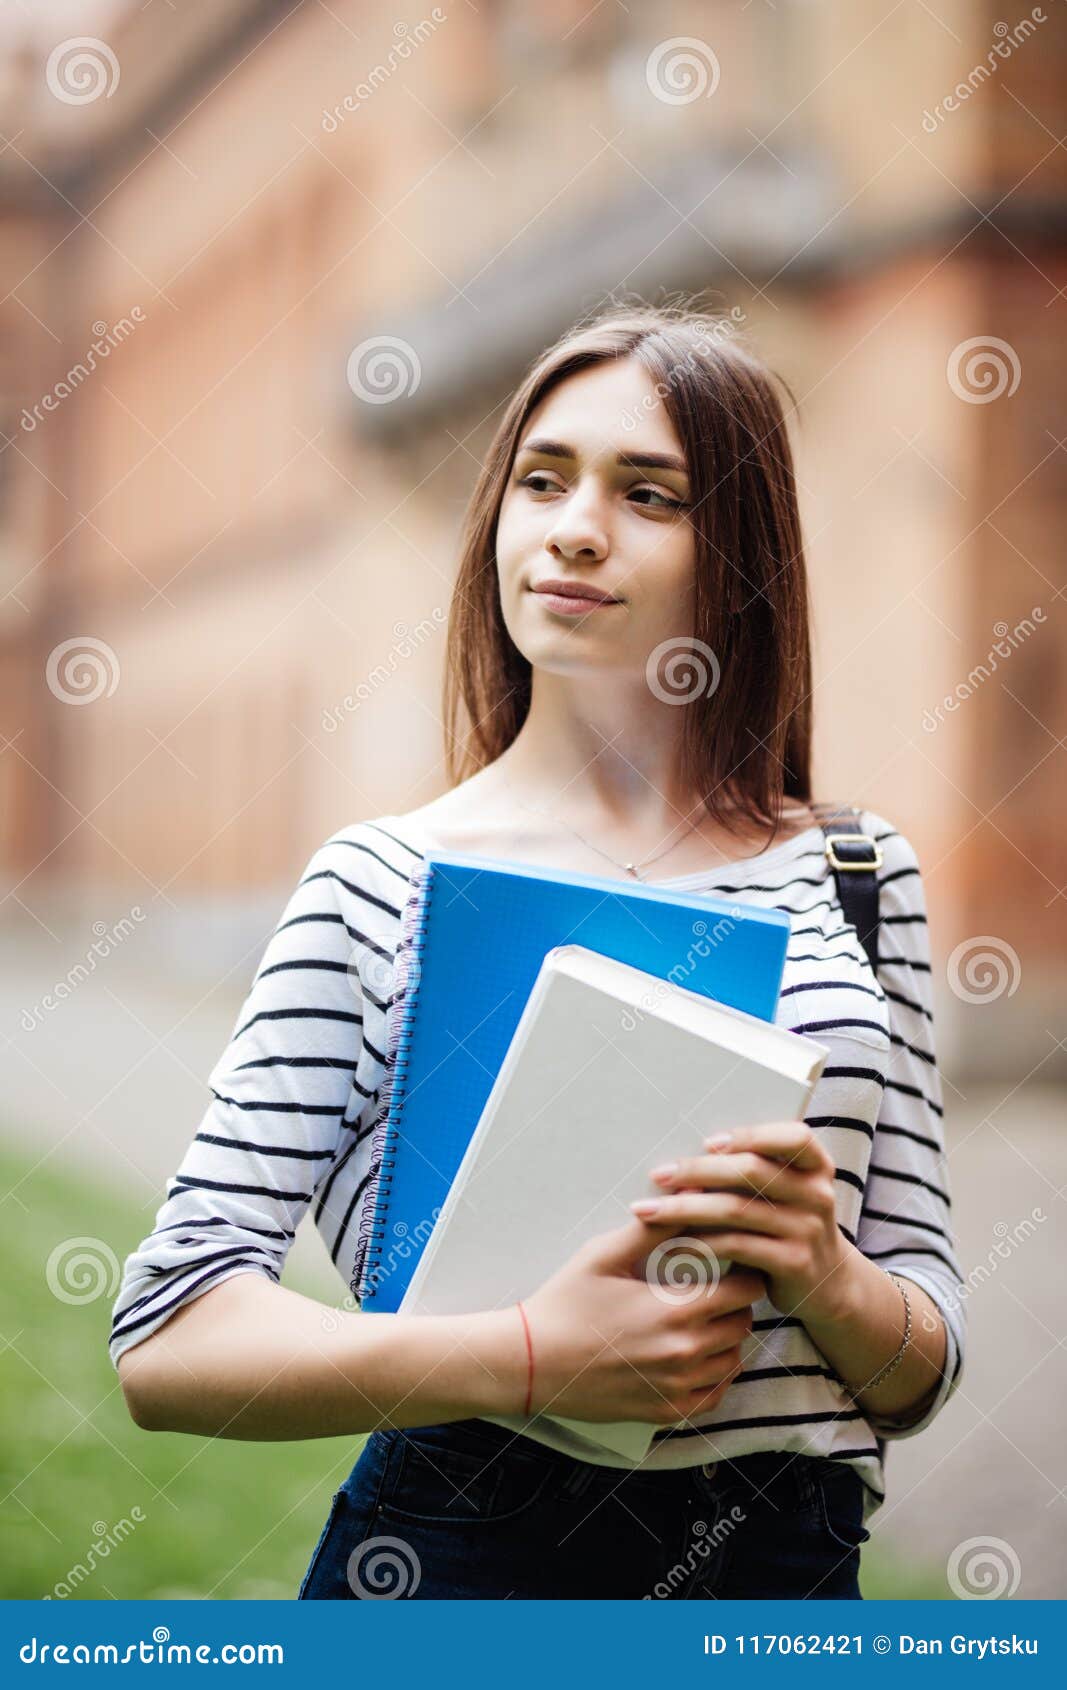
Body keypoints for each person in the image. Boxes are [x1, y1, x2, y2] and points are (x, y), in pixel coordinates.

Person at [109, 300, 965, 1600]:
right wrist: (524, 1353)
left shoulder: (858, 877)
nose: (573, 525)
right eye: (542, 479)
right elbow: (167, 1335)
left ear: (738, 553)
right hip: (458, 1562)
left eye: (649, 492)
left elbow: (923, 1358)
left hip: (784, 1579)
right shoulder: (377, 883)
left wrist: (824, 1268)